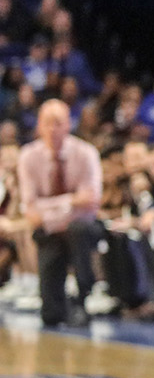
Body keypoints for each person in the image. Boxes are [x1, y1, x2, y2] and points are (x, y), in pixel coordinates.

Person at [19, 100, 103, 328]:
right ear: (38, 126)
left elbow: (91, 203)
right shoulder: (28, 156)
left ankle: (82, 299)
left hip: (82, 227)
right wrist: (71, 201)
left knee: (78, 230)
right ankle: (60, 302)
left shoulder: (86, 153)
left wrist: (50, 209)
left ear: (68, 125)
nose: (52, 129)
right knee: (50, 315)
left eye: (58, 123)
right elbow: (31, 211)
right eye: (47, 123)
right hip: (49, 232)